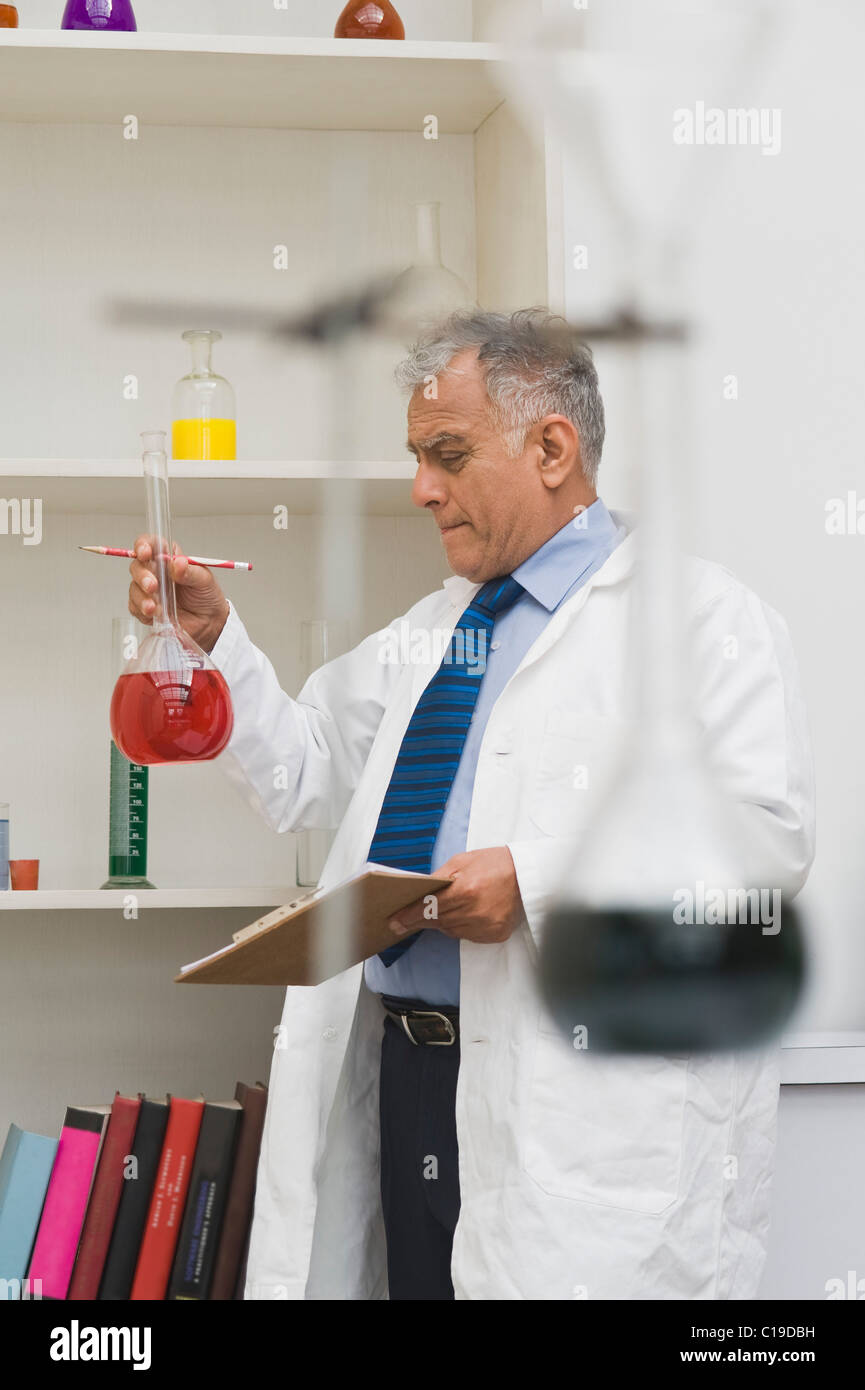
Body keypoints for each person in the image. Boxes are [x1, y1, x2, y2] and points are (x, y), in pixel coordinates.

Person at [127, 309, 814, 1300]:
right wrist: (214, 639)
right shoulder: (430, 632)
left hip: (578, 1115)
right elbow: (309, 766)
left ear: (550, 447)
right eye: (415, 457)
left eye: (446, 454)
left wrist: (536, 875)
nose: (421, 489)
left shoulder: (705, 623)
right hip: (407, 1082)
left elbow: (766, 836)